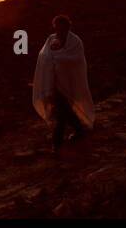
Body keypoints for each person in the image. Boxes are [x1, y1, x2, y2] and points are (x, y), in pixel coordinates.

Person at [32, 15, 95, 153]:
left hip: (69, 82)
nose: (59, 31)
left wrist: (57, 57)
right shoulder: (51, 39)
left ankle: (59, 143)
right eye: (56, 28)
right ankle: (71, 135)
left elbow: (77, 59)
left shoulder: (75, 41)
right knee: (63, 111)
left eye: (62, 28)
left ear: (68, 27)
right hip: (54, 83)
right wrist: (54, 58)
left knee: (63, 112)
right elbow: (44, 56)